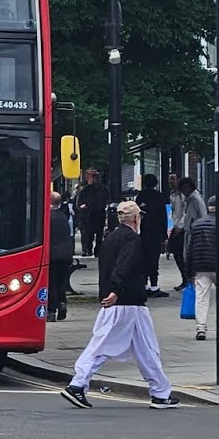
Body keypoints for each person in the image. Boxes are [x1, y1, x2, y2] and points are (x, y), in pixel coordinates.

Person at [60, 201, 180, 409]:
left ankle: (161, 392)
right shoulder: (131, 238)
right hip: (125, 302)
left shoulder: (111, 237)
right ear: (136, 218)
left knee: (147, 349)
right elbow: (123, 266)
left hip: (129, 303)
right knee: (101, 346)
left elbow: (106, 268)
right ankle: (77, 385)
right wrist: (115, 290)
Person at [184, 196, 218, 340]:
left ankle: (201, 327)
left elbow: (190, 248)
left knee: (202, 297)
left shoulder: (197, 224)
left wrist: (189, 271)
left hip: (200, 265)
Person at [167, 177, 204, 290]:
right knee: (180, 255)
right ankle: (187, 280)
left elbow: (200, 214)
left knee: (187, 257)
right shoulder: (178, 196)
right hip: (182, 228)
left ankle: (190, 280)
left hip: (189, 230)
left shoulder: (194, 199)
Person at [135, 174, 168, 297]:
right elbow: (163, 217)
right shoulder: (158, 197)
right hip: (155, 233)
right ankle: (154, 287)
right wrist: (164, 236)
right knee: (153, 261)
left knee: (143, 260)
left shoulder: (140, 197)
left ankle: (144, 285)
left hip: (142, 233)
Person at [48, 191, 73, 321]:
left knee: (51, 282)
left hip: (53, 255)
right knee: (61, 282)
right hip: (65, 255)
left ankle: (51, 310)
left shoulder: (48, 217)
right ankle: (62, 303)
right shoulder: (63, 216)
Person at [75, 170, 108, 257]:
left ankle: (97, 250)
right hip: (88, 215)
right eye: (95, 178)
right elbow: (79, 203)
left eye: (98, 178)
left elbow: (107, 200)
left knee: (99, 234)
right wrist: (82, 207)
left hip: (100, 214)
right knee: (88, 234)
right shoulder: (86, 190)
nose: (97, 180)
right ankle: (88, 249)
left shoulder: (104, 189)